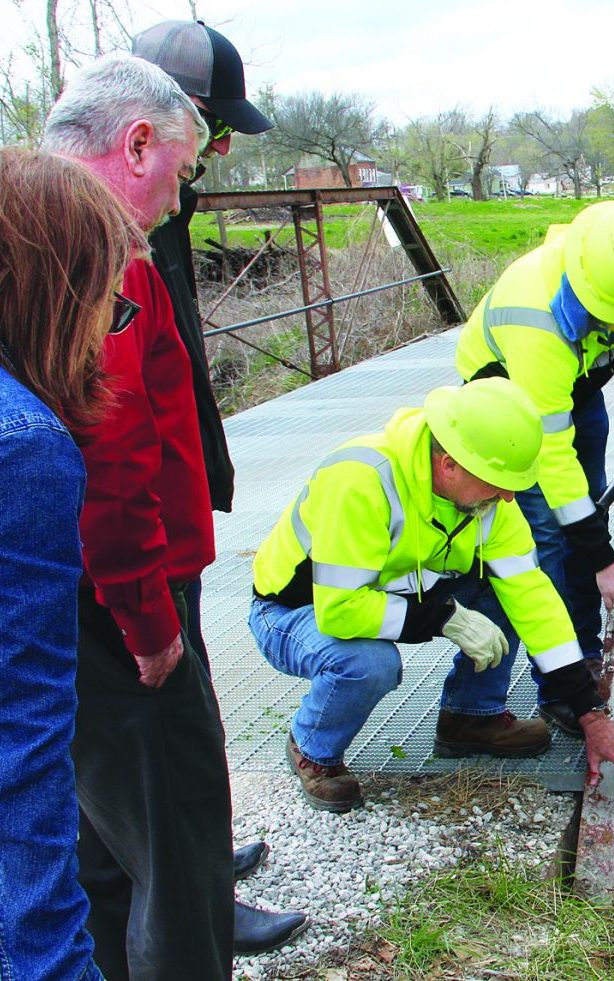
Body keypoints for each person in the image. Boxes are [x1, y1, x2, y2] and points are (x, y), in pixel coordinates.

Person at [43, 55, 302, 977]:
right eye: (184, 171)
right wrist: (150, 620)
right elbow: (112, 459)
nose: (177, 200)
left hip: (63, 587)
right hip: (121, 592)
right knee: (183, 841)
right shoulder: (101, 250)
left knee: (101, 833)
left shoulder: (30, 230)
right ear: (137, 142)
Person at [250, 377, 614, 812]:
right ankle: (314, 747)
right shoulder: (359, 480)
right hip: (295, 611)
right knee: (369, 663)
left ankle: (470, 717)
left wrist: (589, 713)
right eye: (499, 482)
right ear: (448, 465)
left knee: (505, 591)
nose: (507, 496)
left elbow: (534, 599)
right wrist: (445, 617)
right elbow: (339, 611)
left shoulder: (485, 501)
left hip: (402, 587)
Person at [130, 20, 304, 953]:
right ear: (151, 126)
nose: (222, 151)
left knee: (177, 718)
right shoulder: (118, 220)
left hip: (175, 502)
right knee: (171, 728)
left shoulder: (165, 207)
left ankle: (194, 862)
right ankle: (197, 904)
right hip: (146, 525)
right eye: (213, 129)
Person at [454, 200, 614, 736]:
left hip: (576, 383)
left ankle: (582, 653)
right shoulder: (536, 318)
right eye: (613, 316)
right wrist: (603, 560)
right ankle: (561, 687)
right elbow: (552, 459)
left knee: (589, 511)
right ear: (585, 290)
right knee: (551, 541)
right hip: (511, 393)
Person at [0, 146, 145, 981]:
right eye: (108, 300)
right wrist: (53, 960)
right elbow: (19, 744)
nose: (107, 324)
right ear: (57, 291)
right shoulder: (24, 451)